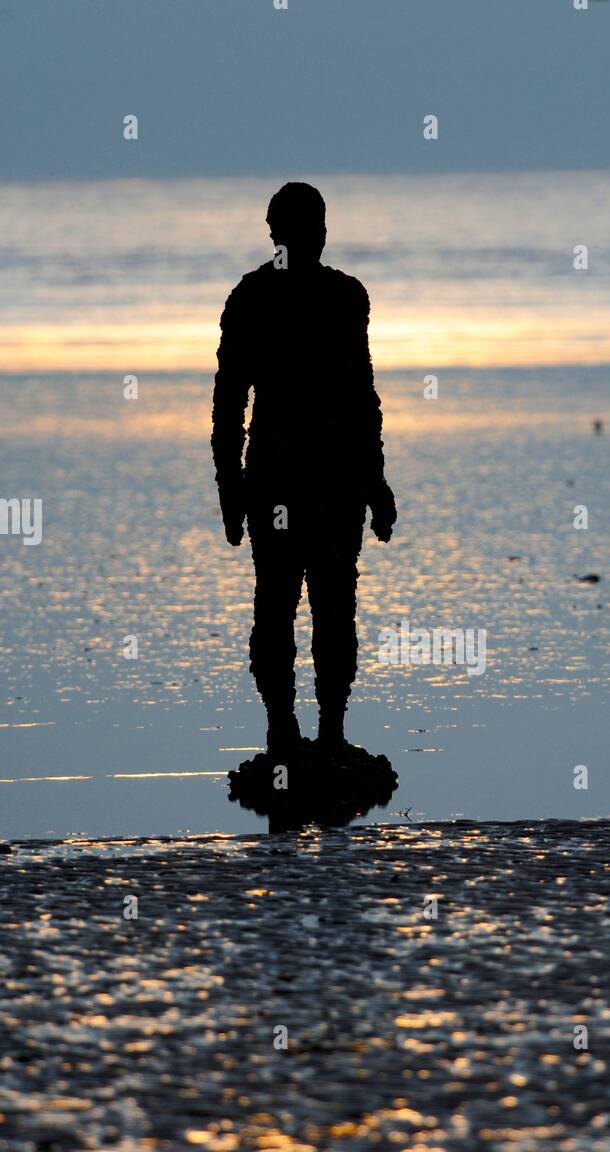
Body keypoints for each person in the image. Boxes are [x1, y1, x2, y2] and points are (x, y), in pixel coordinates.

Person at [211, 181, 397, 756]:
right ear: (285, 234)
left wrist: (376, 484)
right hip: (285, 480)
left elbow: (361, 398)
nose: (311, 239)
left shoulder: (342, 298)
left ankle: (325, 734)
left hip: (323, 482)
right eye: (304, 230)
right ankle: (286, 733)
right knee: (286, 608)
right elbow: (229, 403)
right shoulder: (256, 299)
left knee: (326, 608)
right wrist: (230, 491)